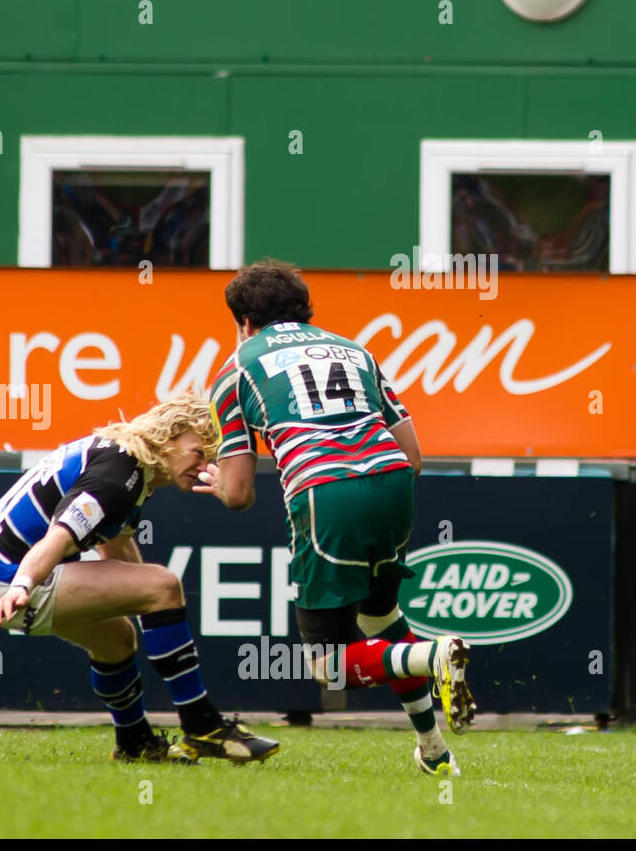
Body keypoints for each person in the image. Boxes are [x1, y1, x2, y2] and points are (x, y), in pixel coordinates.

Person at [199, 259, 476, 778]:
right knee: (381, 620)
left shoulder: (234, 370)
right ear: (307, 309)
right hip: (393, 482)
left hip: (325, 494)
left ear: (242, 322)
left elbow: (238, 495)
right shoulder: (356, 351)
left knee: (328, 664)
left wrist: (217, 484)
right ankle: (435, 751)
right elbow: (413, 455)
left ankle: (434, 656)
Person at [0, 393, 280, 764]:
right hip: (13, 581)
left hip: (7, 576)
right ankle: (203, 726)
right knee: (162, 584)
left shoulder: (129, 466)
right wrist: (22, 585)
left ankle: (134, 744)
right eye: (199, 452)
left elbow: (115, 551)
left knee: (118, 639)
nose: (203, 466)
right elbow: (58, 537)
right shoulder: (120, 475)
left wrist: (152, 610)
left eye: (211, 459)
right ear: (168, 436)